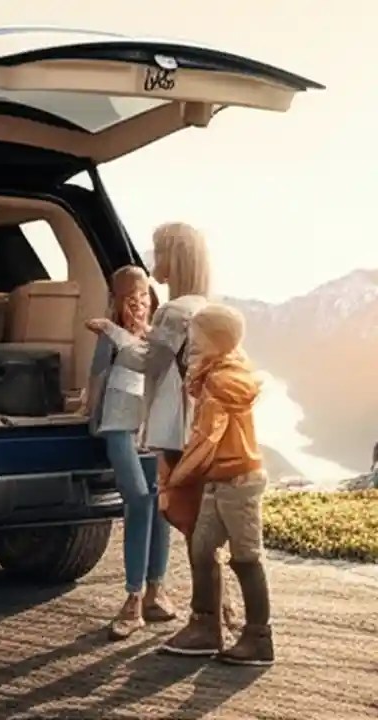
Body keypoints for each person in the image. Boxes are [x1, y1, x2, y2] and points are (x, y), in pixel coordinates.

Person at [87, 222, 236, 632]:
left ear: (179, 257)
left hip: (167, 430)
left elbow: (148, 362)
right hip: (199, 425)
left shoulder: (173, 311)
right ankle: (214, 611)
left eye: (160, 253)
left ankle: (199, 616)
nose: (154, 264)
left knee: (183, 518)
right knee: (193, 519)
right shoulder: (209, 307)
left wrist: (113, 331)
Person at [158, 303, 273, 665]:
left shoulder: (220, 384)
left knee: (246, 557)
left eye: (197, 340)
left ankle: (259, 638)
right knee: (202, 548)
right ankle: (205, 627)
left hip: (239, 480)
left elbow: (206, 440)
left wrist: (174, 480)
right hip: (217, 480)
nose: (190, 346)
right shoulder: (214, 372)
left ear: (217, 342)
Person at [84, 266, 174, 640]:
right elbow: (97, 379)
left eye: (143, 297)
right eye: (129, 299)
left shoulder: (159, 337)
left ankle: (157, 589)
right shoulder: (109, 335)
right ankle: (133, 597)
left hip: (151, 427)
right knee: (137, 499)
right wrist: (87, 412)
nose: (138, 305)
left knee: (161, 504)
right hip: (119, 425)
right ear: (118, 301)